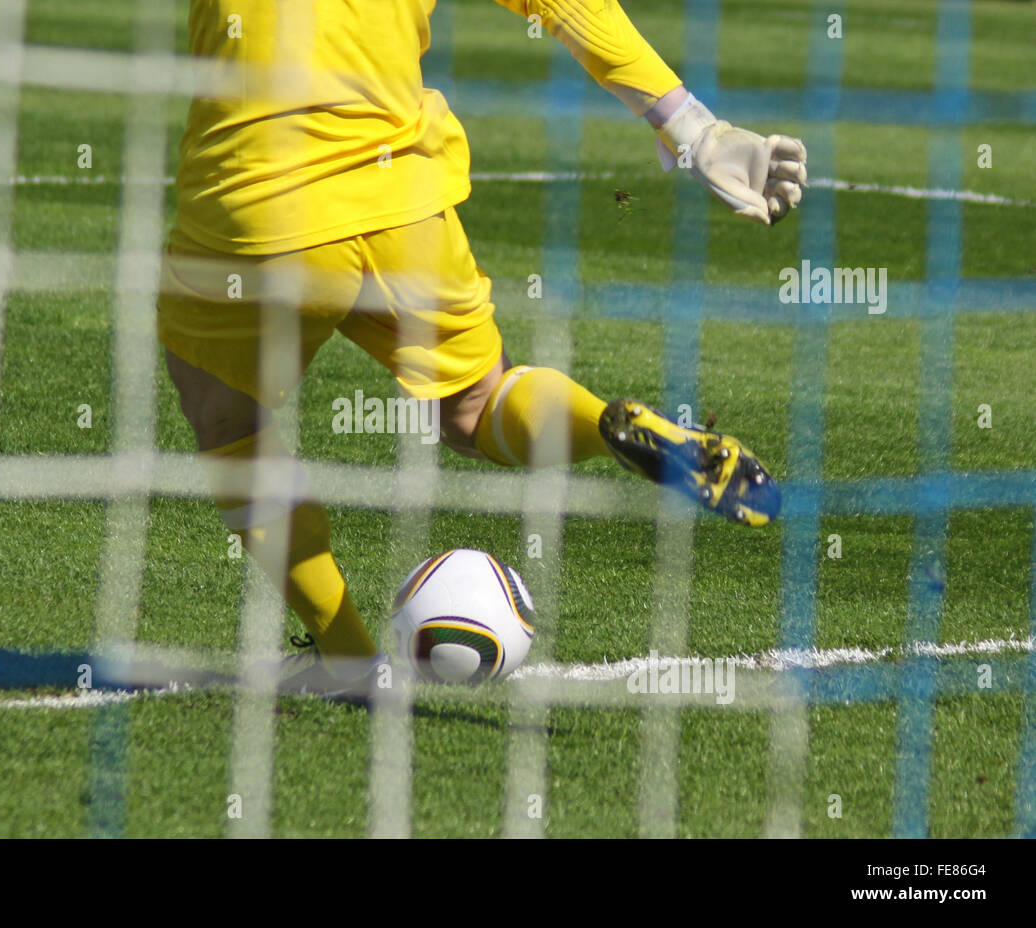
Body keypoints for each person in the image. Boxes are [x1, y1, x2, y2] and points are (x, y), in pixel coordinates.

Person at [157, 0, 807, 692]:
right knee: (476, 404)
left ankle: (347, 659)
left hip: (254, 205)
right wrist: (692, 126)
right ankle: (610, 427)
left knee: (228, 423)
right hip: (402, 199)